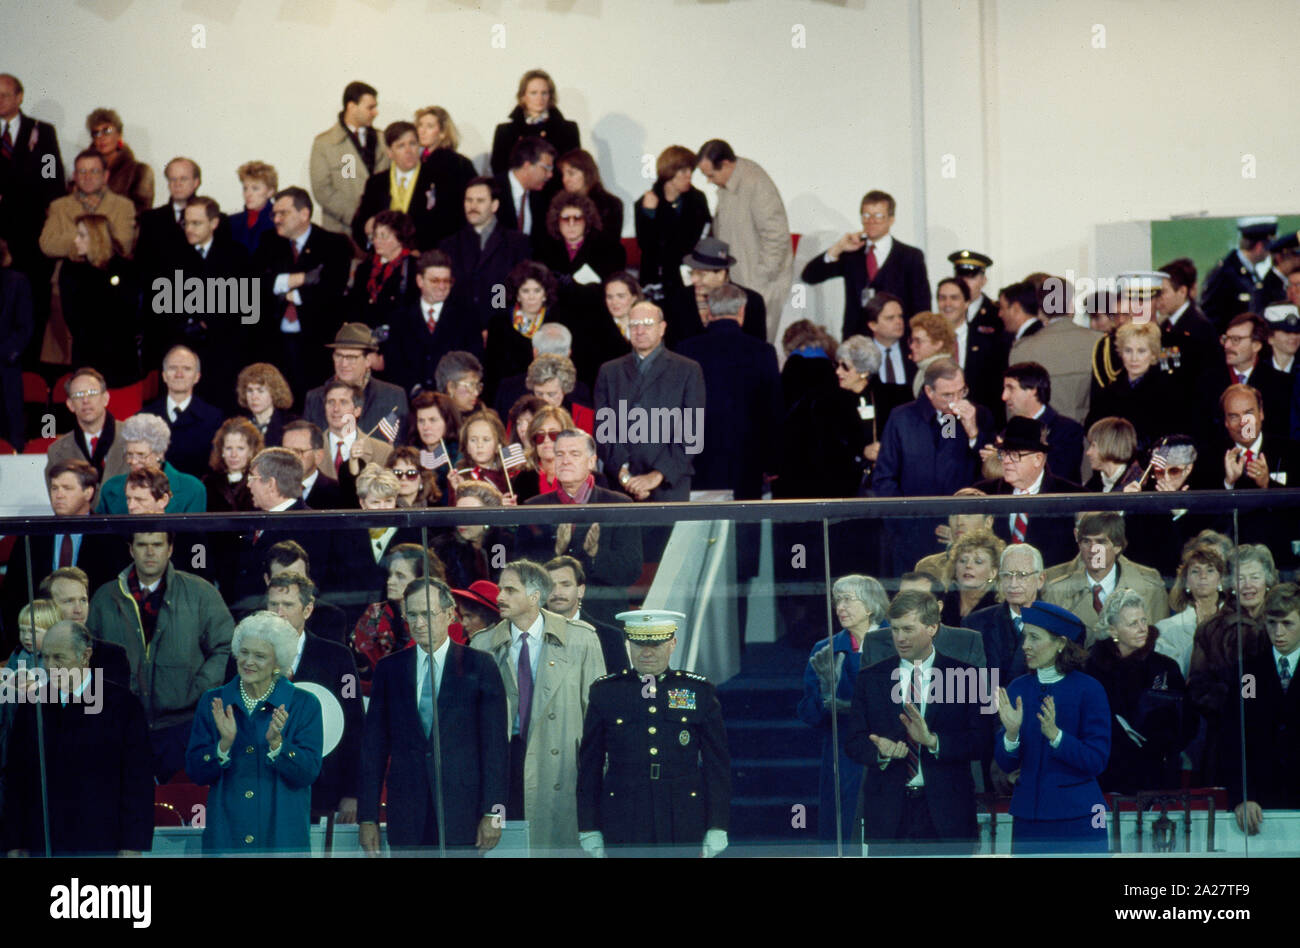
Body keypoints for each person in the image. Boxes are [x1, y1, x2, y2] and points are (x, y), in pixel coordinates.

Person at [360, 577, 508, 853]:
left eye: (427, 614)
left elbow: (495, 747)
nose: (418, 623)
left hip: (463, 816)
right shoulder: (389, 670)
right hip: (407, 817)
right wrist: (367, 817)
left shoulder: (480, 666)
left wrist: (493, 812)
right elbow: (373, 749)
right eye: (412, 615)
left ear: (450, 614)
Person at [471, 559, 605, 853]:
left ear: (534, 597)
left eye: (510, 590)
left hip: (562, 770)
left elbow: (598, 721)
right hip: (506, 766)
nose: (499, 597)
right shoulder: (482, 646)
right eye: (499, 589)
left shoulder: (581, 639)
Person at [576, 608, 730, 857]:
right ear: (628, 643)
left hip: (682, 813)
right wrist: (589, 827)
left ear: (673, 643)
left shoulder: (697, 691)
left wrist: (717, 824)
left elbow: (717, 765)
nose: (646, 652)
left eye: (656, 644)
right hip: (624, 813)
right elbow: (590, 765)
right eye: (638, 643)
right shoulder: (606, 692)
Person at [843, 590, 984, 854]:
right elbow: (853, 741)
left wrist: (933, 741)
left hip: (947, 816)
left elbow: (982, 741)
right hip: (888, 815)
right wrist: (879, 751)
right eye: (895, 629)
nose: (900, 638)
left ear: (932, 627)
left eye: (908, 629)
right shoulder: (871, 678)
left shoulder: (967, 676)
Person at [90, 531, 234, 782]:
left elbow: (226, 646)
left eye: (157, 545)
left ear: (169, 549)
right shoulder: (105, 597)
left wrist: (200, 689)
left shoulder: (200, 592)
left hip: (182, 727)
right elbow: (90, 656)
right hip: (121, 726)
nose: (149, 552)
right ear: (131, 549)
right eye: (142, 545)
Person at [2, 621, 153, 856]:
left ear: (85, 656)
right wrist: (14, 842)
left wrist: (133, 845)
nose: (50, 667)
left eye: (59, 658)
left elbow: (137, 781)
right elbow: (16, 778)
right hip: (44, 841)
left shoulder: (123, 705)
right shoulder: (33, 707)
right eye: (46, 658)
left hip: (103, 840)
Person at [186, 611, 323, 853]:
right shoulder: (213, 701)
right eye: (245, 652)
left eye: (260, 656)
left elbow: (308, 773)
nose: (249, 662)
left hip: (281, 839)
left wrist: (279, 745)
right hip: (227, 838)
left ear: (277, 664)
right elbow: (196, 772)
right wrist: (223, 745)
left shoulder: (304, 704)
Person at [994, 601, 1111, 853]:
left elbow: (1097, 760)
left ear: (1061, 643)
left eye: (1035, 638)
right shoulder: (1018, 688)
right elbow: (1005, 764)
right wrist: (1011, 734)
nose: (1025, 645)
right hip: (1029, 819)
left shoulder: (1089, 690)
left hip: (1079, 818)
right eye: (1025, 636)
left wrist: (1057, 737)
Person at [263, 571, 363, 823]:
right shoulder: (245, 658)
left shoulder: (337, 657)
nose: (278, 612)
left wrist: (353, 791)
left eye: (287, 605)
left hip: (323, 789)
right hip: (264, 784)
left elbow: (355, 727)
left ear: (307, 610)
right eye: (273, 604)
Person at [796, 574, 889, 842]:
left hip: (890, 750)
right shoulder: (825, 649)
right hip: (844, 756)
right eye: (837, 601)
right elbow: (809, 713)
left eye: (848, 600)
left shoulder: (898, 641)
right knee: (843, 832)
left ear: (870, 606)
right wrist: (825, 694)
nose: (840, 607)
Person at [521, 429, 643, 628]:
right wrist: (556, 552)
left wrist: (596, 554)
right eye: (559, 454)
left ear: (592, 461)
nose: (565, 460)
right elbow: (523, 573)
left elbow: (631, 571)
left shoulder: (619, 505)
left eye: (574, 454)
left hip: (603, 619)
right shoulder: (533, 508)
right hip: (547, 620)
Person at [593, 299, 706, 503]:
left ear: (662, 328)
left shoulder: (687, 370)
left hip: (669, 484)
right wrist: (624, 475)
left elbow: (691, 433)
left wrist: (656, 476)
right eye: (634, 324)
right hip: (619, 486)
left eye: (647, 323)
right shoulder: (610, 371)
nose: (640, 330)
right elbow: (604, 429)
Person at [676, 283, 782, 499]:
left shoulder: (686, 350)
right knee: (744, 527)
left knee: (703, 528)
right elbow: (773, 411)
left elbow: (677, 409)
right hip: (748, 459)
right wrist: (773, 463)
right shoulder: (763, 352)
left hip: (697, 459)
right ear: (742, 311)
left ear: (708, 310)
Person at [1085, 588, 1194, 794]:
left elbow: (1188, 720)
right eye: (1133, 624)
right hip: (1107, 776)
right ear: (1113, 630)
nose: (1142, 628)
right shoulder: (1091, 670)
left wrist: (1165, 747)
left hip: (1157, 775)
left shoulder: (1165, 667)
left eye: (1144, 621)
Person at [254, 186, 354, 397]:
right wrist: (301, 279)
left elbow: (331, 290)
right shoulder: (269, 241)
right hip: (275, 342)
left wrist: (288, 292)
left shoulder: (334, 244)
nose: (277, 219)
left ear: (304, 214)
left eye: (283, 213)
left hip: (316, 342)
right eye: (275, 214)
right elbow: (257, 283)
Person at [1222, 582, 1300, 835]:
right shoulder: (1249, 674)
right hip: (1261, 804)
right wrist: (1242, 795)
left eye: (1287, 624)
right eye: (1271, 623)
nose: (1278, 632)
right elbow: (1235, 737)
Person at [696, 139, 792, 340]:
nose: (709, 181)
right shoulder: (727, 186)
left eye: (711, 175)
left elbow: (776, 236)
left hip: (760, 284)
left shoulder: (756, 183)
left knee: (757, 344)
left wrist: (759, 281)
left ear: (727, 165)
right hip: (739, 282)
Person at [802, 188, 930, 336]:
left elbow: (922, 306)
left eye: (879, 216)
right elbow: (809, 276)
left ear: (891, 219)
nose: (871, 221)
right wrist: (838, 247)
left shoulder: (910, 256)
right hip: (856, 342)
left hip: (897, 343)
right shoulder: (851, 253)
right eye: (866, 215)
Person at [1041, 511, 1169, 645]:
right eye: (1086, 541)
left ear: (1117, 547)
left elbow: (1158, 646)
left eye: (1101, 542)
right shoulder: (1055, 591)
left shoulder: (1150, 589)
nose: (1092, 549)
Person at [973, 416, 1082, 567]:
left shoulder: (1072, 496)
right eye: (1004, 453)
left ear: (1038, 459)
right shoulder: (983, 493)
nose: (1005, 461)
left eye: (1015, 454)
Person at [438, 177, 532, 333]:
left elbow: (512, 290)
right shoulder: (449, 245)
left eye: (480, 201)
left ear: (494, 205)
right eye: (469, 200)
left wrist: (496, 324)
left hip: (503, 331)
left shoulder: (517, 243)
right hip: (459, 331)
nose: (472, 206)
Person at [383, 249, 482, 397]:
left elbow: (473, 362)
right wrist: (415, 390)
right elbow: (394, 363)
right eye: (435, 280)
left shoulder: (467, 317)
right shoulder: (400, 317)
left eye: (446, 281)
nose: (442, 286)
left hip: (452, 402)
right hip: (409, 401)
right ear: (420, 281)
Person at [57, 213, 140, 387]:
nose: (76, 240)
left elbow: (131, 314)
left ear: (97, 236)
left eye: (82, 235)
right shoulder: (71, 270)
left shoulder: (125, 269)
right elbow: (72, 317)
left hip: (120, 357)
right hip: (86, 355)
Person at [350, 544, 446, 686]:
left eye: (400, 576)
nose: (390, 581)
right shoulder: (374, 615)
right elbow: (362, 672)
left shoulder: (442, 617)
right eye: (390, 574)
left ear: (421, 581)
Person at [1011, 276, 1101, 426]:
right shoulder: (1099, 342)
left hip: (1040, 441)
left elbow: (1014, 408)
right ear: (1071, 306)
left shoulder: (1022, 350)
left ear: (1040, 311)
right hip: (1091, 441)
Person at [1085, 320, 1186, 451]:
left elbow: (1171, 437)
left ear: (1153, 354)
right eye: (1128, 351)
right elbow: (1091, 429)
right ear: (1120, 353)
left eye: (1141, 351)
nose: (1134, 358)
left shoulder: (1167, 391)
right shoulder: (1109, 392)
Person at [310, 80, 389, 235]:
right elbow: (322, 190)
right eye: (370, 107)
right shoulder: (324, 143)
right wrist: (359, 218)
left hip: (382, 233)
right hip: (342, 234)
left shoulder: (383, 140)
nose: (375, 112)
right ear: (352, 107)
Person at [635, 145, 710, 296]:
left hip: (689, 276)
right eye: (683, 171)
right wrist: (649, 214)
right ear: (669, 172)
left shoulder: (697, 200)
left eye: (691, 170)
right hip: (656, 277)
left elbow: (704, 236)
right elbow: (646, 245)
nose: (689, 175)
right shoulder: (646, 201)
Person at [95, 413, 206, 514]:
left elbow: (193, 535)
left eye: (141, 454)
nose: (133, 461)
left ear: (160, 453)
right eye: (129, 454)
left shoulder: (192, 489)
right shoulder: (111, 488)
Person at [966, 543, 1046, 683]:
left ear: (1040, 580)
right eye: (1007, 576)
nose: (1013, 584)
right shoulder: (974, 623)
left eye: (1022, 575)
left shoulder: (1058, 625)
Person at [142, 345, 224, 478]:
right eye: (173, 368)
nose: (179, 374)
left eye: (186, 369)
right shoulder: (144, 417)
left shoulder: (214, 419)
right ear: (164, 375)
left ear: (197, 377)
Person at [485, 260, 562, 400]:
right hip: (508, 396)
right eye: (525, 291)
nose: (531, 297)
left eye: (537, 291)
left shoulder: (557, 322)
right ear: (517, 294)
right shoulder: (499, 323)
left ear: (545, 294)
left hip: (548, 396)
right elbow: (492, 370)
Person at [39, 149, 135, 260]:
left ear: (105, 176)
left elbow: (123, 245)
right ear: (75, 176)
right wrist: (99, 239)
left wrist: (79, 240)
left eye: (94, 171)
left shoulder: (123, 206)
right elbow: (47, 244)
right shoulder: (59, 206)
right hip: (69, 272)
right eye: (82, 171)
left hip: (108, 272)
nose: (87, 177)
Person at [44, 368, 129, 490]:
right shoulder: (56, 452)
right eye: (78, 395)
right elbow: (61, 504)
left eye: (92, 393)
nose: (85, 401)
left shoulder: (134, 438)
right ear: (70, 405)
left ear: (106, 398)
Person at [999, 361, 1084, 483]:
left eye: (1011, 389)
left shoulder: (1068, 430)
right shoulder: (1006, 432)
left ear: (1033, 389)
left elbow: (1060, 474)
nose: (1004, 396)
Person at [937, 274, 1009, 417]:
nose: (947, 304)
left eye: (954, 298)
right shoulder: (931, 342)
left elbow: (996, 389)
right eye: (942, 298)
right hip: (944, 419)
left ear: (966, 303)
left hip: (979, 419)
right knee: (948, 436)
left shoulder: (989, 341)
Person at [544, 555, 629, 674]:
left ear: (581, 591)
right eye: (551, 586)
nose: (557, 592)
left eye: (565, 585)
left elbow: (619, 688)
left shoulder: (610, 638)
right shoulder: (531, 635)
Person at [1155, 541, 1227, 676]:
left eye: (1210, 570)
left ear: (1220, 580)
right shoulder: (1166, 630)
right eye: (1195, 571)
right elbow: (1173, 678)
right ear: (1186, 582)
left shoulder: (1236, 623)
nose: (1203, 576)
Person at [489, 69, 579, 177]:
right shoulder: (505, 131)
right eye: (534, 93)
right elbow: (499, 169)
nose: (539, 98)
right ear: (523, 96)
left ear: (550, 96)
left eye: (544, 93)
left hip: (555, 192)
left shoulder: (568, 130)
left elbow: (572, 169)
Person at [409, 106, 476, 249]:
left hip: (447, 239)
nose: (422, 130)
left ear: (442, 132)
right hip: (420, 240)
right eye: (420, 125)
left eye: (429, 126)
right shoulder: (415, 162)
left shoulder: (458, 164)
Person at [430, 480, 514, 590]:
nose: (461, 520)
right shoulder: (443, 548)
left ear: (489, 515)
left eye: (469, 514)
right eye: (458, 513)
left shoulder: (504, 543)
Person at [1201, 216, 1280, 330]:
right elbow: (1210, 315)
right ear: (1259, 247)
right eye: (1268, 248)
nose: (1269, 254)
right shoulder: (1225, 274)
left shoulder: (1247, 271)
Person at [345, 209, 419, 329]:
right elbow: (354, 306)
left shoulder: (413, 269)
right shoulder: (364, 268)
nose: (376, 241)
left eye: (383, 236)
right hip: (364, 335)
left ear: (400, 238)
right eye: (375, 235)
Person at [134, 156, 202, 282]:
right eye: (173, 179)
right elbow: (142, 264)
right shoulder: (151, 219)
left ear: (196, 182)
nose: (177, 184)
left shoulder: (214, 218)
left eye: (183, 179)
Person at [83, 108, 152, 214]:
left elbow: (142, 215)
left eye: (107, 131)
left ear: (119, 134)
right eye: (96, 133)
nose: (101, 137)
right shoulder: (83, 170)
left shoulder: (139, 171)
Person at [494, 137, 557, 248]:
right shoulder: (492, 190)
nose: (550, 175)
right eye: (546, 168)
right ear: (527, 165)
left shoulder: (542, 197)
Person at [0, 241, 32, 448]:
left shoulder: (15, 282)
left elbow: (25, 326)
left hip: (5, 369)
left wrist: (6, 354)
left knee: (10, 432)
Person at [940, 529, 1003, 627]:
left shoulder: (1000, 610)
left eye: (978, 562)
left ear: (993, 572)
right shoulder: (942, 602)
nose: (968, 565)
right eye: (962, 560)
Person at [557, 148, 623, 238]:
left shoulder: (611, 204)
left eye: (571, 174)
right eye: (563, 175)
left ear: (587, 173)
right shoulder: (560, 204)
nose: (565, 180)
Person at [204, 416, 262, 513]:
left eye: (240, 448)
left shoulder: (260, 481)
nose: (234, 455)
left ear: (251, 451)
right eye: (229, 448)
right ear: (221, 450)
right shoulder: (208, 483)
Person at [236, 362, 297, 447]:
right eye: (250, 391)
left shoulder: (290, 424)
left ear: (274, 392)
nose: (254, 397)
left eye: (260, 391)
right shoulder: (238, 426)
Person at [228, 160, 278, 255]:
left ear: (270, 192)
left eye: (255, 188)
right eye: (245, 188)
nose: (248, 194)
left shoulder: (278, 221)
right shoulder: (231, 222)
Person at [1082, 416, 1139, 492]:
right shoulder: (1094, 485)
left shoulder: (1136, 484)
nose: (1088, 452)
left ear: (1108, 446)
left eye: (1093, 446)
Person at [907, 311, 957, 397]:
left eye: (918, 341)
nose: (912, 346)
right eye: (912, 340)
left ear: (938, 344)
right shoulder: (924, 369)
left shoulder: (943, 374)